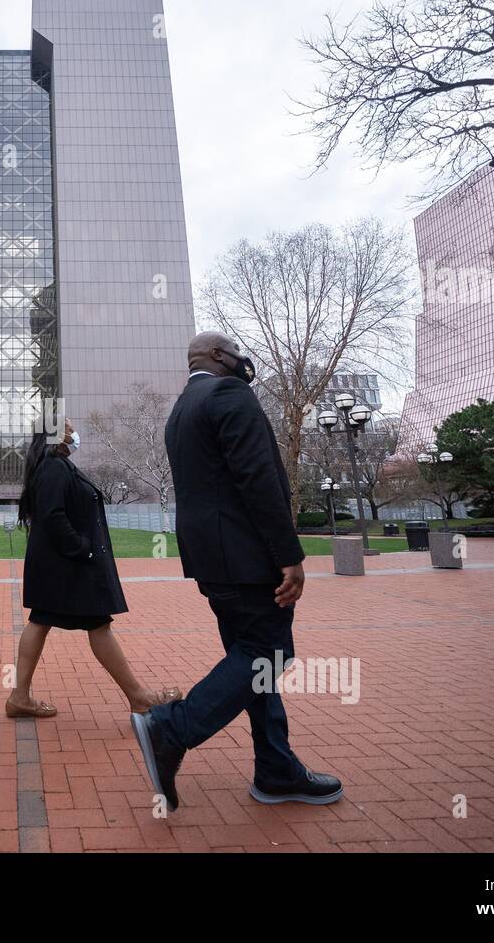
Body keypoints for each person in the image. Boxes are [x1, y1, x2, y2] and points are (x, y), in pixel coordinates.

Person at [130, 332, 343, 811]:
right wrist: (289, 553)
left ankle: (276, 770)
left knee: (253, 662)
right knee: (268, 656)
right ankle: (172, 727)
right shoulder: (229, 393)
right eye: (236, 351)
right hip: (247, 558)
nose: (244, 359)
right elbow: (259, 477)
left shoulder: (182, 407)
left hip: (212, 560)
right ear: (218, 357)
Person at [6, 417, 181, 718]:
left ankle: (20, 697)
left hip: (59, 567)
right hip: (68, 567)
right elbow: (52, 516)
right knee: (96, 624)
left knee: (46, 621)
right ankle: (139, 697)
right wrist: (83, 549)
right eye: (69, 427)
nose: (74, 433)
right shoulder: (54, 467)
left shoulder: (53, 465)